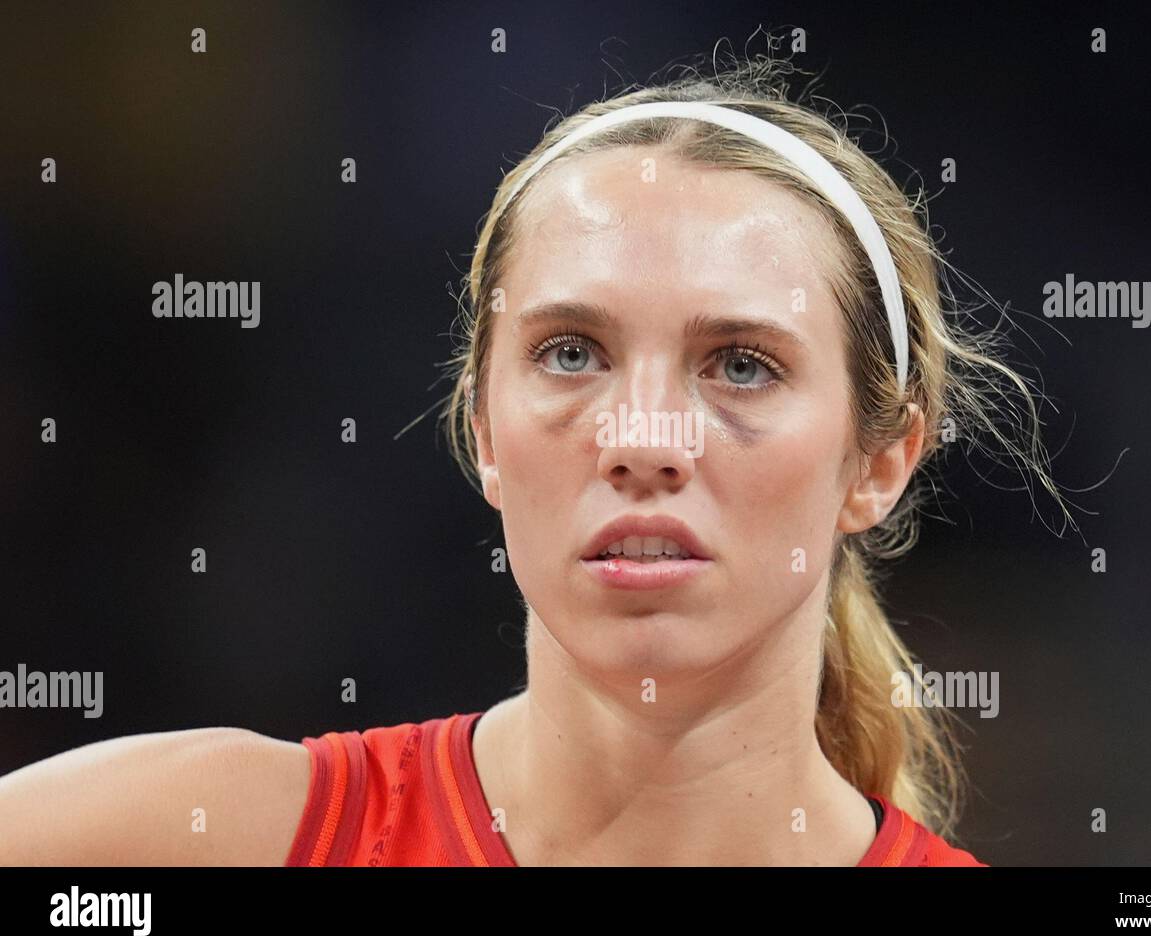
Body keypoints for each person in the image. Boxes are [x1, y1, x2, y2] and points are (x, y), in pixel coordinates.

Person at [0, 54, 1066, 866]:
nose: (643, 439)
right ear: (481, 429)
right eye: (570, 352)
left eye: (739, 364)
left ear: (879, 460)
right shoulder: (195, 836)